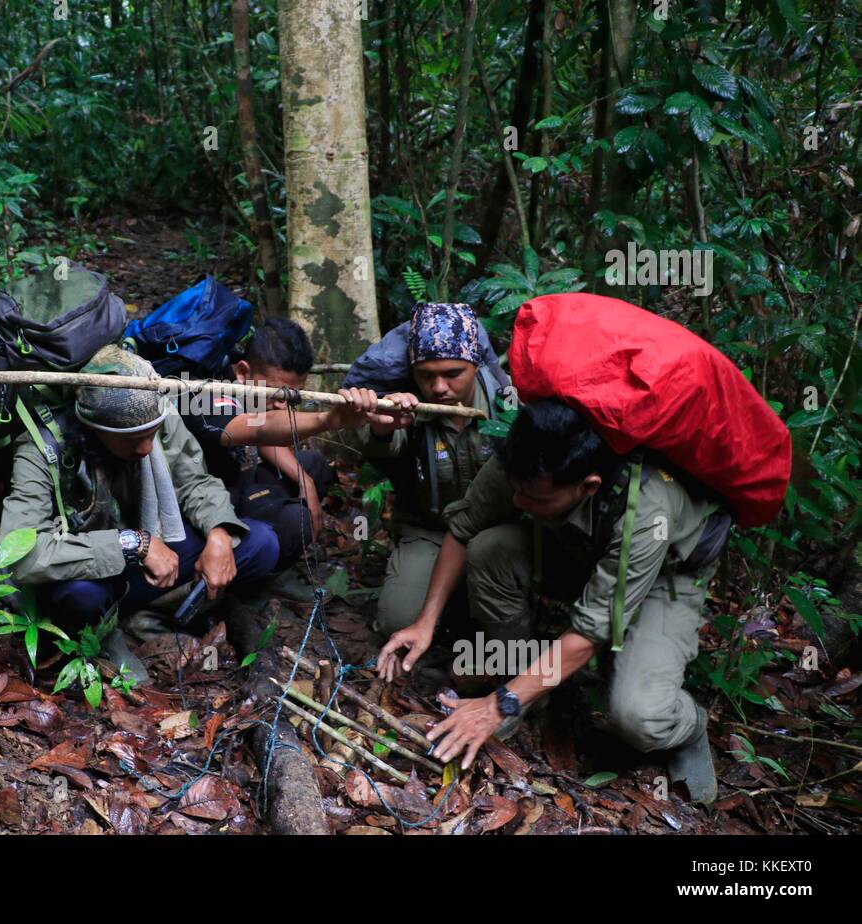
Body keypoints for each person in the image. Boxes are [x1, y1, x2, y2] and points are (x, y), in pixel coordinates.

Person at [376, 399, 728, 803]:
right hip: (582, 544)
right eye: (516, 492)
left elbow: (589, 632)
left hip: (666, 573)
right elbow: (463, 528)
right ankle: (517, 681)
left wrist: (497, 707)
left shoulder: (647, 512)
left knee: (640, 714)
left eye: (537, 500)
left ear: (588, 485)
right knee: (490, 549)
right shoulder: (524, 459)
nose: (521, 504)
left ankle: (688, 727)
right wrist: (426, 621)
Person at [0, 345, 282, 685]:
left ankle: (150, 614)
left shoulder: (157, 412)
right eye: (134, 439)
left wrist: (219, 533)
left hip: (151, 564)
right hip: (94, 572)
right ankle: (105, 634)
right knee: (80, 596)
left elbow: (194, 481)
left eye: (152, 435)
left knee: (261, 544)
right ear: (93, 429)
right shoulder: (42, 447)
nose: (147, 448)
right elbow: (24, 554)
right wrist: (136, 544)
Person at [343, 302, 505, 637]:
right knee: (396, 622)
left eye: (452, 374)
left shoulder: (504, 401)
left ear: (475, 365)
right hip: (429, 529)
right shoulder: (406, 404)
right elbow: (382, 451)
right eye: (427, 376)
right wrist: (385, 427)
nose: (439, 387)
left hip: (492, 530)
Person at [181, 316, 381, 572]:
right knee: (295, 520)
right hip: (205, 502)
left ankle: (270, 559)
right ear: (242, 372)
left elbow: (264, 433)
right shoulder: (206, 392)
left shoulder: (248, 382)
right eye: (278, 395)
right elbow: (258, 427)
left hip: (236, 481)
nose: (283, 406)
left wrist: (304, 480)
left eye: (293, 397)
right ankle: (254, 579)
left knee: (313, 466)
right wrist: (331, 419)